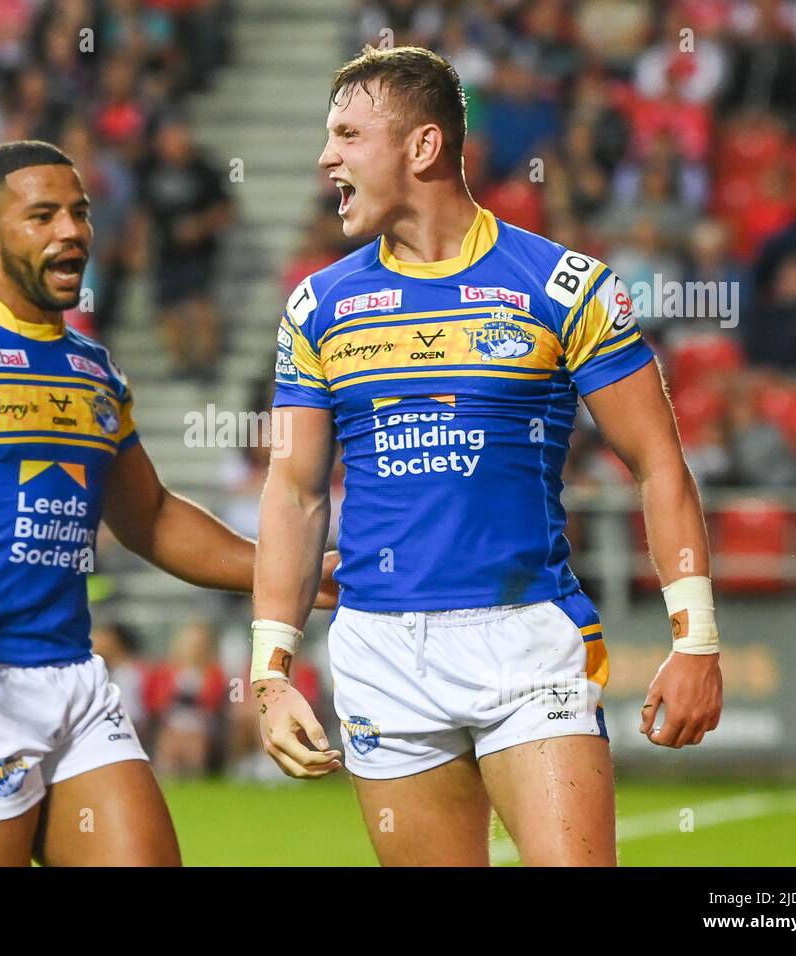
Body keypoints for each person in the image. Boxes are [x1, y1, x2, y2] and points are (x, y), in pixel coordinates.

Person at [251, 46, 723, 867]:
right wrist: (270, 670)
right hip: (378, 650)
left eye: (349, 134)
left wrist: (697, 640)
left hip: (527, 640)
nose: (327, 157)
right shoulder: (317, 306)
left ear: (423, 147)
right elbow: (293, 491)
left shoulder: (566, 287)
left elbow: (658, 462)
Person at [0, 140, 336, 867]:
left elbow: (149, 517)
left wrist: (289, 570)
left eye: (80, 213)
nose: (72, 231)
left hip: (73, 679)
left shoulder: (94, 369)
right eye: (44, 215)